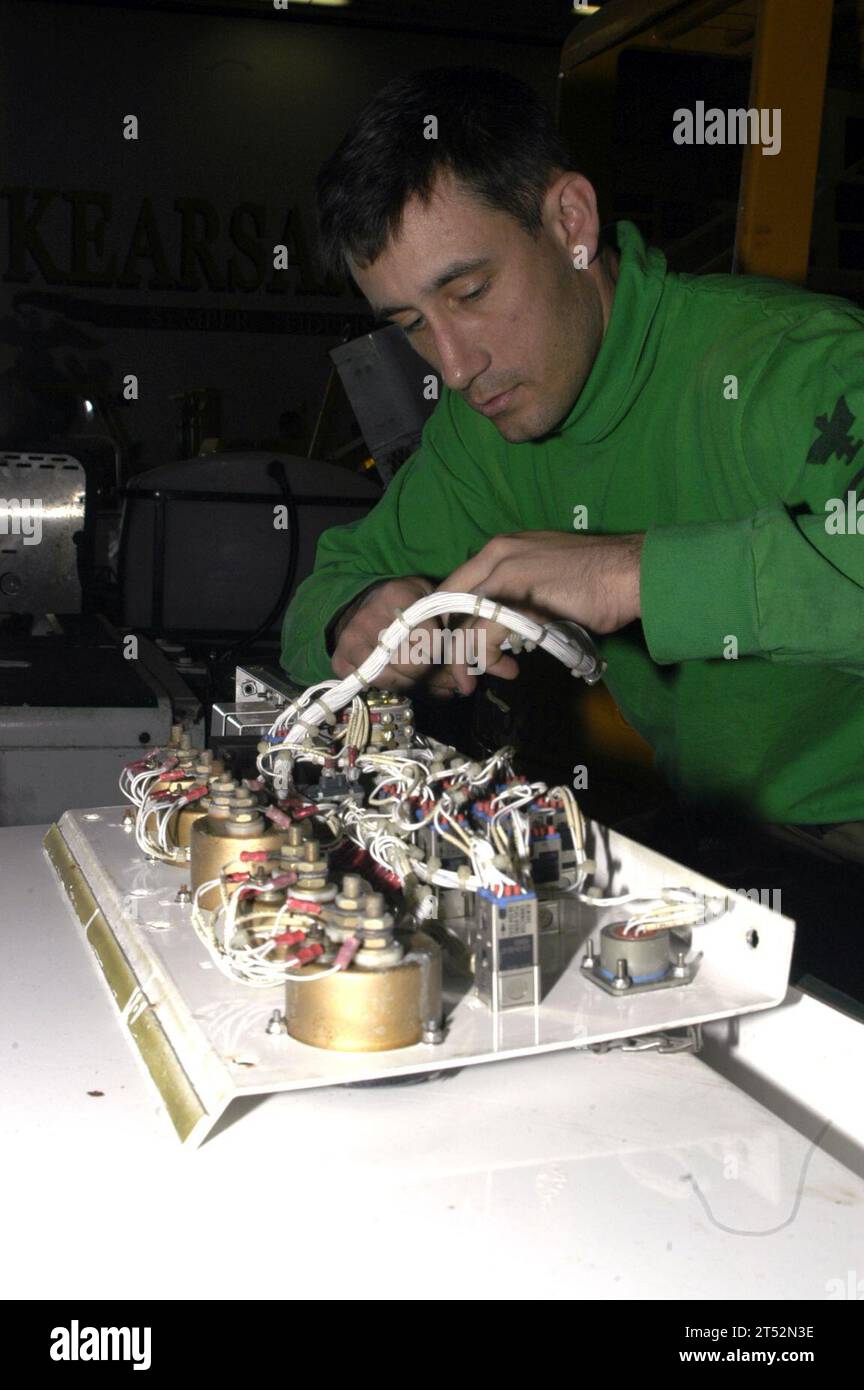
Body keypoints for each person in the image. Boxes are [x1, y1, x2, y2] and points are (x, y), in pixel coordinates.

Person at [280, 67, 864, 989]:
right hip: (720, 859)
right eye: (411, 326)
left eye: (469, 292)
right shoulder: (481, 441)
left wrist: (632, 574)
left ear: (571, 224)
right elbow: (325, 591)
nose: (456, 366)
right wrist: (362, 615)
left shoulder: (796, 367)